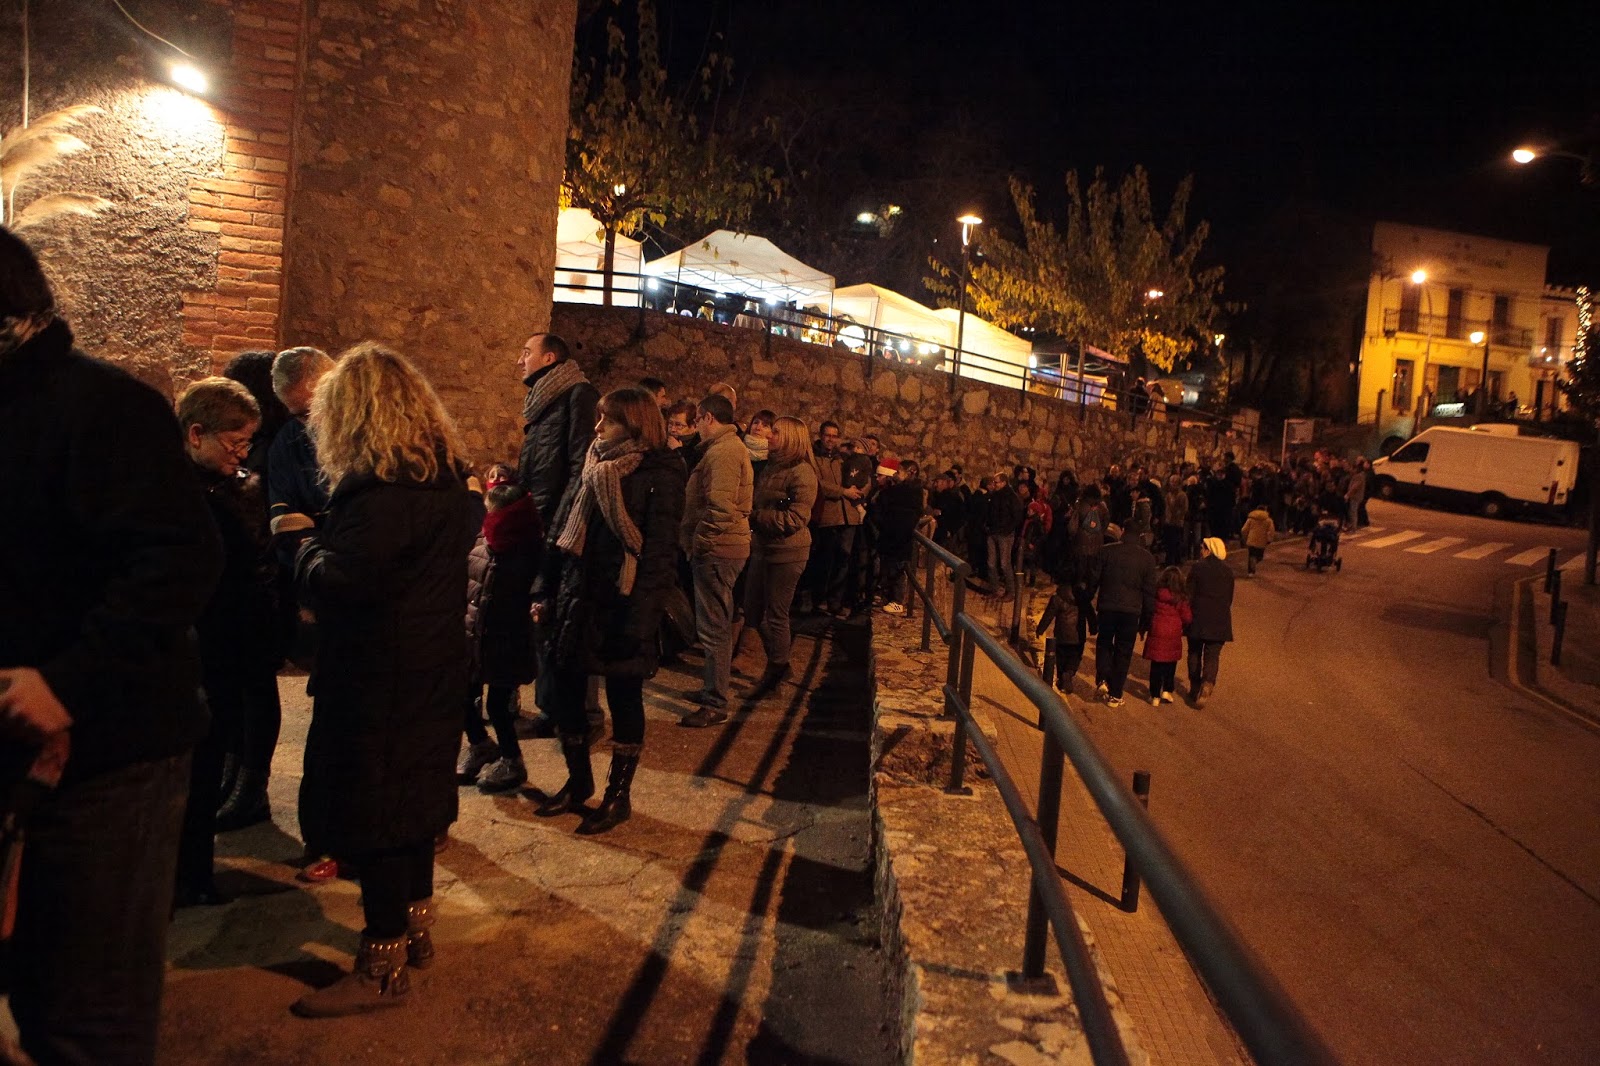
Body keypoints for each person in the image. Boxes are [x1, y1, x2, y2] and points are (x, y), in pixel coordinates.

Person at [1, 229, 223, 1065]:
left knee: (84, 1017)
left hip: (107, 765)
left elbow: (181, 560)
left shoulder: (101, 408)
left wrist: (69, 681)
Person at [290, 343, 482, 1017]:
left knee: (377, 813)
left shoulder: (379, 500)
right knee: (415, 807)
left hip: (380, 674)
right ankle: (415, 931)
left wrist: (303, 546)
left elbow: (344, 583)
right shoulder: (449, 488)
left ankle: (380, 966)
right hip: (432, 664)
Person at [530, 388, 685, 831]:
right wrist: (544, 589)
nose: (597, 429)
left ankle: (618, 796)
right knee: (565, 693)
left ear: (634, 425)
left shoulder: (661, 473)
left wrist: (639, 622)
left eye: (608, 421)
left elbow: (657, 556)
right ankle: (579, 782)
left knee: (624, 697)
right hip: (577, 596)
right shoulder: (592, 464)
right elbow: (562, 527)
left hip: (622, 602)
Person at [174, 377, 278, 908]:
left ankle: (194, 871)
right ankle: (186, 877)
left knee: (207, 760)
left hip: (221, 648)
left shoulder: (225, 484)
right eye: (233, 443)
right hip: (193, 652)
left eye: (246, 444)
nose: (241, 454)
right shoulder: (177, 492)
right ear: (196, 434)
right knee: (189, 770)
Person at [217, 351, 293, 832]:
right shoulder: (262, 440)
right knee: (236, 689)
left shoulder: (277, 444)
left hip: (266, 585)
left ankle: (251, 788)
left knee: (255, 688)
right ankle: (232, 776)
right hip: (245, 585)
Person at [515, 333, 599, 740]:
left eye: (526, 353)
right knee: (542, 616)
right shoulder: (544, 401)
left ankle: (571, 714)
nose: (520, 361)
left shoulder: (576, 395)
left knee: (557, 615)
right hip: (539, 518)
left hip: (557, 525)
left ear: (549, 357)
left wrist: (560, 523)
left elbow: (578, 466)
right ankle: (554, 708)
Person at [458, 474, 542, 793]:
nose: (488, 518)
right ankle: (481, 746)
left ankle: (511, 759)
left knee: (497, 706)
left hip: (506, 643)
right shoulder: (483, 543)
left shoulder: (528, 552)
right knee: (463, 696)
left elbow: (534, 593)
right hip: (474, 636)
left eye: (494, 513)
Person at [679, 393, 753, 726]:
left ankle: (715, 701)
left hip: (718, 549)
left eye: (696, 420)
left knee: (714, 627)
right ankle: (712, 688)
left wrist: (701, 543)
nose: (695, 427)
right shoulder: (727, 449)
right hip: (722, 546)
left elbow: (720, 508)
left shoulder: (723, 452)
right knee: (714, 622)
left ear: (708, 417)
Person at [744, 416, 820, 697]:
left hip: (788, 552)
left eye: (776, 432)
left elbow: (796, 518)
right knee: (752, 611)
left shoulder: (802, 472)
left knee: (776, 614)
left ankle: (774, 673)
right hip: (763, 547)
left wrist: (755, 517)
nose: (769, 435)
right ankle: (781, 662)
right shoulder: (771, 466)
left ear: (790, 437)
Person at [1089, 523, 1157, 707]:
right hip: (1131, 612)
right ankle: (1116, 694)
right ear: (1140, 536)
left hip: (1107, 607)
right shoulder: (1147, 559)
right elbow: (1150, 594)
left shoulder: (1106, 551)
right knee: (1124, 651)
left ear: (1124, 532)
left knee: (1104, 642)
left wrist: (1087, 601)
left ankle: (1102, 679)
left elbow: (1094, 579)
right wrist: (1146, 621)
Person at [808, 420, 865, 617]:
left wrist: (859, 491)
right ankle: (819, 599)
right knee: (825, 560)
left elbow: (859, 479)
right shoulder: (814, 458)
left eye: (834, 435)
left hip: (846, 516)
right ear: (821, 436)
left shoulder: (843, 460)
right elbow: (817, 483)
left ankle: (835, 601)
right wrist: (843, 491)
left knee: (843, 560)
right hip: (828, 515)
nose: (831, 439)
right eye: (827, 435)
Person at [1186, 537, 1236, 709]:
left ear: (1209, 550)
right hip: (1219, 620)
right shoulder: (1228, 571)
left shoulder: (1198, 568)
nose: (1200, 550)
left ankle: (1194, 687)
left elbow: (1189, 594)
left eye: (1202, 547)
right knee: (1212, 655)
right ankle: (1207, 684)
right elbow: (1229, 598)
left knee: (1194, 652)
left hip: (1198, 617)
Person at [873, 458, 924, 613]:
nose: (896, 474)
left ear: (910, 473)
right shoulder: (900, 491)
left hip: (899, 537)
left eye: (899, 471)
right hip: (892, 536)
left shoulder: (907, 492)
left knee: (897, 569)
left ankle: (897, 600)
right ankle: (887, 597)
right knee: (889, 567)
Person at [1142, 568, 1192, 705]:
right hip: (1173, 632)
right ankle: (1167, 690)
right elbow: (1187, 617)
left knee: (1156, 665)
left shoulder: (1157, 594)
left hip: (1157, 630)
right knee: (1170, 663)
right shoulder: (1181, 598)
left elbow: (1149, 610)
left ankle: (1154, 695)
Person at [985, 471, 1024, 598]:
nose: (994, 485)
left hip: (1005, 535)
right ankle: (995, 589)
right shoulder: (995, 496)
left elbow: (1017, 516)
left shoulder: (1012, 497)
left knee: (1004, 563)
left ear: (1003, 483)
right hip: (993, 532)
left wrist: (1008, 529)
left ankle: (1011, 591)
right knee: (991, 563)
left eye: (996, 482)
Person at [1240, 501, 1276, 576]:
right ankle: (1255, 561)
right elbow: (1271, 531)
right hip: (1262, 541)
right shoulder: (1268, 520)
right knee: (1259, 556)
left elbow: (1244, 530)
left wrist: (1245, 537)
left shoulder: (1251, 519)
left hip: (1251, 540)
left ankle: (1250, 572)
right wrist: (1269, 539)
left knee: (1251, 555)